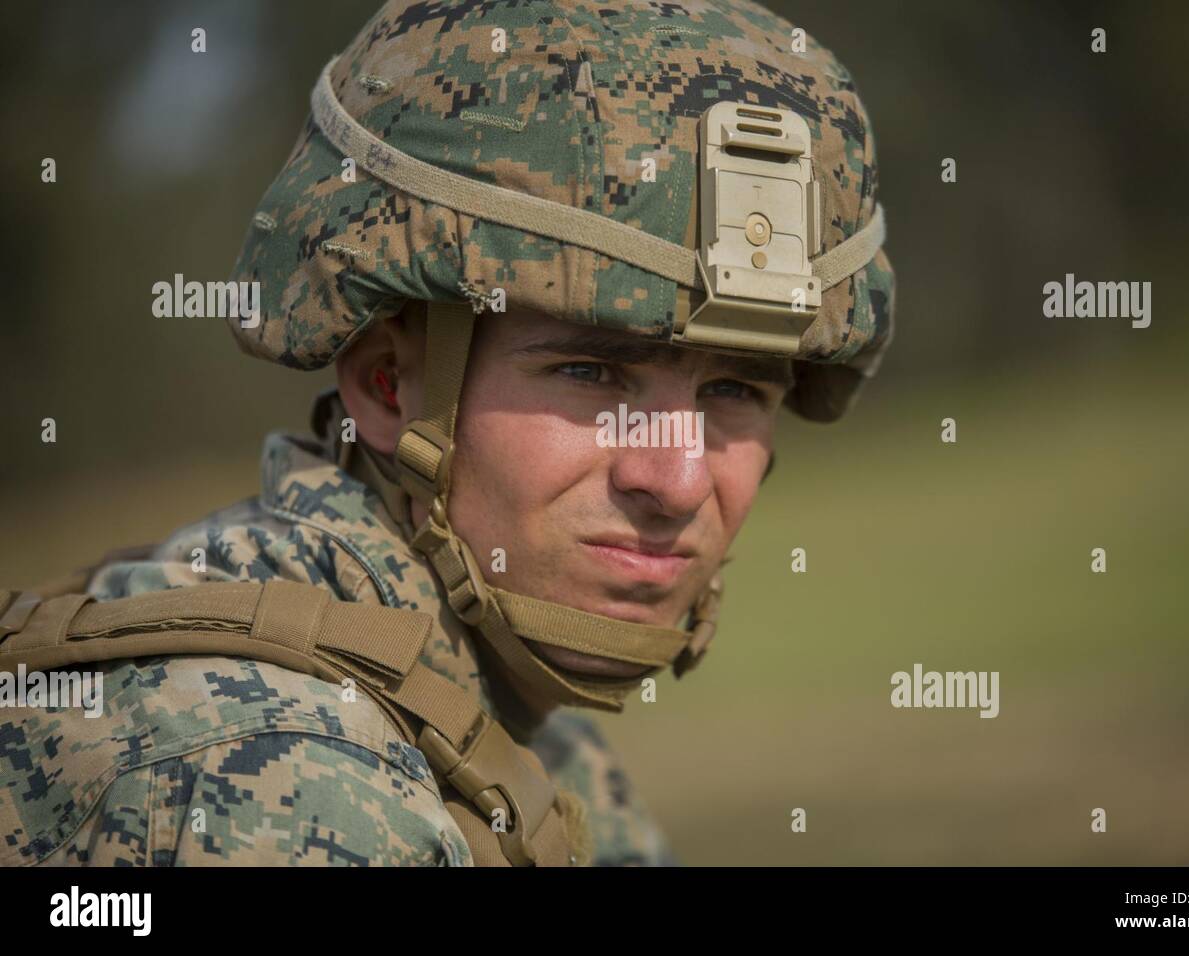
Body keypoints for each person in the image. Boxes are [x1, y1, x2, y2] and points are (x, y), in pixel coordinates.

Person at [0, 0, 894, 866]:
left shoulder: (521, 739)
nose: (678, 479)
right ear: (387, 385)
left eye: (735, 387)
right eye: (591, 373)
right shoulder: (288, 780)